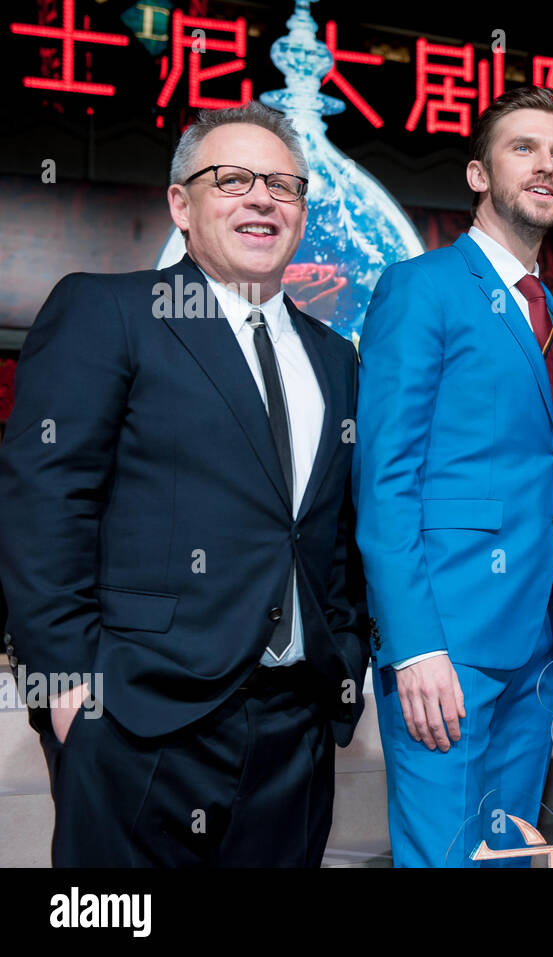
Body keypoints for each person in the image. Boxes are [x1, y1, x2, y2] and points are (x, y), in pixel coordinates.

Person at [0, 102, 370, 866]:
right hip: (139, 720)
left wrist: (347, 658)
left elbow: (329, 535)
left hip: (295, 728)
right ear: (181, 203)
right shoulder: (110, 311)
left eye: (283, 184)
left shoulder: (337, 357)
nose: (261, 198)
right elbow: (44, 503)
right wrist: (68, 694)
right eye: (231, 179)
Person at [354, 86, 553, 867]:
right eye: (524, 148)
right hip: (448, 646)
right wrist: (414, 647)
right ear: (477, 173)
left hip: (535, 642)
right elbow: (385, 478)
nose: (547, 165)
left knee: (511, 858)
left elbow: (520, 474)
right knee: (443, 858)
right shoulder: (421, 286)